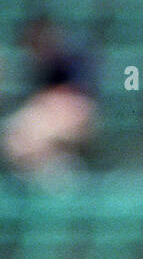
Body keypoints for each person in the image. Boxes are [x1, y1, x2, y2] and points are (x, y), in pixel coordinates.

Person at [1, 18, 98, 180]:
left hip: (70, 123)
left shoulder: (71, 63)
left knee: (22, 138)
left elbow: (78, 105)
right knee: (18, 140)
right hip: (39, 132)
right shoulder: (29, 65)